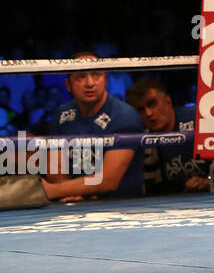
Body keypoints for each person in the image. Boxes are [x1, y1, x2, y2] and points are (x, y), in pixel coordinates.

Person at [127, 79, 214, 193]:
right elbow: (153, 190)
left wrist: (210, 181)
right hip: (183, 205)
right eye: (141, 110)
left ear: (168, 101)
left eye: (152, 104)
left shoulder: (200, 119)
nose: (148, 113)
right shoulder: (144, 140)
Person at [43, 54, 144, 200]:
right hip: (75, 204)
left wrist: (55, 191)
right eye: (81, 76)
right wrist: (70, 192)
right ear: (68, 85)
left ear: (105, 80)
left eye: (96, 75)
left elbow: (108, 180)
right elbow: (56, 168)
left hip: (122, 206)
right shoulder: (62, 115)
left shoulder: (124, 116)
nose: (90, 83)